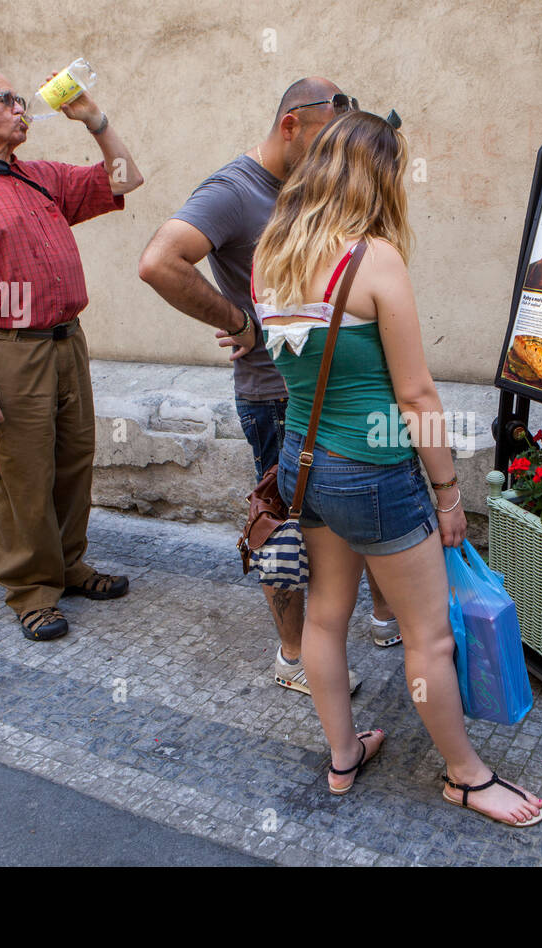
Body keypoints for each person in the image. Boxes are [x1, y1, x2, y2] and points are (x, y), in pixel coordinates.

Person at [237, 111, 542, 826]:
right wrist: (447, 492)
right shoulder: (371, 259)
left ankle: (344, 755)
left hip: (304, 467)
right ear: (381, 178)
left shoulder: (269, 256)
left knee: (326, 617)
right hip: (376, 474)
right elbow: (416, 395)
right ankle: (466, 776)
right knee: (428, 635)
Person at [138, 78, 399, 698]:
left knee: (358, 504)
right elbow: (158, 262)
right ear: (291, 124)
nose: (335, 152)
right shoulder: (234, 190)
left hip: (336, 393)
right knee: (283, 527)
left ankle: (386, 617)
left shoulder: (306, 186)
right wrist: (238, 321)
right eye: (326, 138)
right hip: (275, 396)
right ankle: (293, 656)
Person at [0, 57, 143, 641]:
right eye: (6, 100)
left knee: (73, 460)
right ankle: (30, 590)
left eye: (21, 100)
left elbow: (125, 179)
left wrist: (94, 119)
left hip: (67, 341)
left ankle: (69, 565)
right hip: (9, 350)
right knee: (18, 473)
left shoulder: (40, 174)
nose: (22, 109)